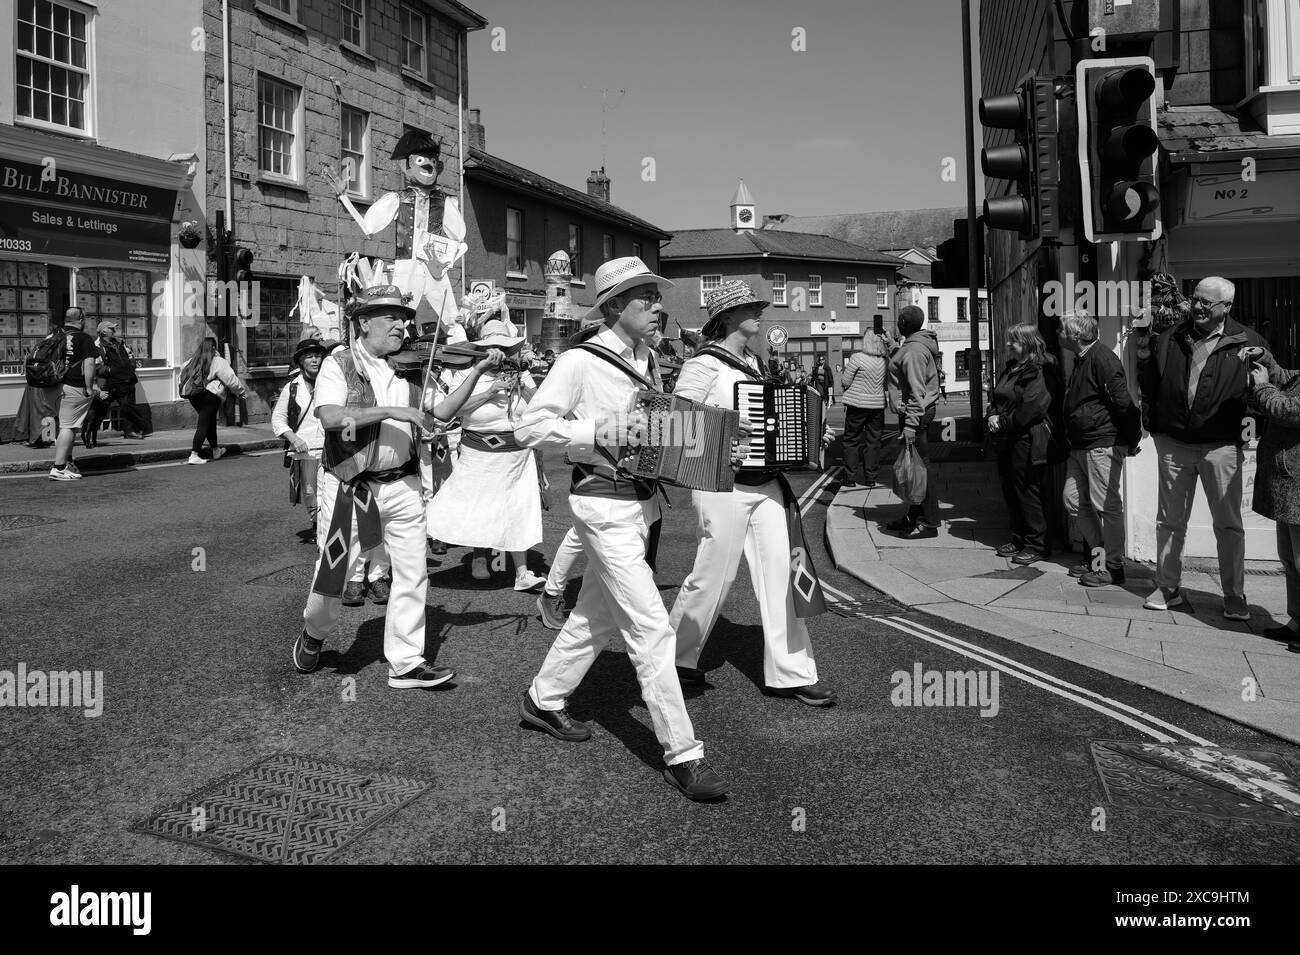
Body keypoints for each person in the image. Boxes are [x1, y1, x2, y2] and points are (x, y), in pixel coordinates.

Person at [513, 255, 729, 801]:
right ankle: (683, 754)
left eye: (657, 297)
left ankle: (543, 698)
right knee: (651, 628)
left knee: (597, 616)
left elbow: (657, 429)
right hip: (601, 505)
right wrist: (601, 429)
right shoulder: (579, 361)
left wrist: (717, 443)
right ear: (612, 307)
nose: (657, 306)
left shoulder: (648, 357)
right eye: (645, 298)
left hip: (642, 504)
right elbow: (529, 428)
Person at [291, 285, 503, 688]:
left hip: (404, 484)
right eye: (390, 317)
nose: (400, 326)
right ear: (363, 323)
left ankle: (406, 662)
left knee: (412, 572)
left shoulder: (411, 367)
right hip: (351, 484)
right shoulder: (339, 364)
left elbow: (441, 412)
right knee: (333, 575)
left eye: (403, 319)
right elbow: (332, 418)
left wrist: (476, 372)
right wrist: (393, 410)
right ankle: (314, 632)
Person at [670, 280, 835, 707]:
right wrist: (726, 423)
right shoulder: (703, 364)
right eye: (750, 308)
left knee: (782, 574)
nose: (759, 313)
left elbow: (774, 421)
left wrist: (810, 436)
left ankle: (792, 673)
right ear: (727, 318)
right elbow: (676, 418)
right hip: (721, 482)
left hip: (766, 483)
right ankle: (673, 659)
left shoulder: (755, 363)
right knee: (713, 577)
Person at [1138, 277, 1265, 618]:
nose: (1197, 306)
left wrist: (1246, 433)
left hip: (1221, 447)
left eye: (1206, 302)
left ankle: (1234, 593)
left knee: (1228, 524)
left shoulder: (1249, 342)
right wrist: (1154, 425)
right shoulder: (1171, 337)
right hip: (1174, 444)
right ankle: (1168, 586)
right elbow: (1149, 383)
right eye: (1195, 298)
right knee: (1170, 521)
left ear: (1227, 306)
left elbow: (1261, 394)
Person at [425, 289, 547, 592]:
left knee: (517, 508)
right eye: (493, 346)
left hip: (517, 452)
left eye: (504, 346)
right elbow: (453, 412)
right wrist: (491, 391)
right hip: (479, 450)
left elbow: (540, 407)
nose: (499, 351)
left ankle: (522, 572)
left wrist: (521, 383)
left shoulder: (520, 373)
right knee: (480, 507)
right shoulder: (467, 373)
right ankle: (479, 556)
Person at [1058, 311, 1140, 586]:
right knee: (1072, 499)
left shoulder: (1102, 358)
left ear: (1075, 335)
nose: (1058, 334)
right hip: (1081, 445)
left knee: (1107, 505)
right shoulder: (1082, 358)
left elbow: (1124, 403)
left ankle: (1113, 566)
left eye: (1061, 330)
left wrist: (1131, 440)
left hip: (1101, 443)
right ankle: (1100, 558)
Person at [987, 324, 1063, 566]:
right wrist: (992, 414)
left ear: (1029, 343)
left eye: (1014, 341)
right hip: (1007, 438)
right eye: (1009, 340)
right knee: (1011, 489)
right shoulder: (1012, 368)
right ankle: (1019, 538)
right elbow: (997, 398)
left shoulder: (1041, 369)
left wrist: (1002, 421)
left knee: (1029, 491)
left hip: (1027, 439)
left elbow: (1033, 407)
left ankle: (1037, 544)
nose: (1009, 345)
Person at [1246, 349, 1300, 642]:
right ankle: (1297, 622)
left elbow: (1287, 409)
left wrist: (1263, 386)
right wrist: (1265, 358)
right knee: (1289, 559)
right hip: (1288, 482)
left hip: (1296, 484)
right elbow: (1285, 377)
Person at [883, 304, 941, 537]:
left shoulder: (914, 350)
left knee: (920, 468)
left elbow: (917, 391)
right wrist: (892, 346)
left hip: (915, 414)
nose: (897, 323)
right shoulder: (912, 345)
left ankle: (929, 523)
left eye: (899, 320)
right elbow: (905, 361)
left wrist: (910, 425)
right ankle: (914, 516)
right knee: (915, 467)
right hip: (914, 413)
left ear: (903, 324)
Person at [48, 308, 102, 482]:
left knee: (66, 424)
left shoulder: (54, 335)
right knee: (69, 426)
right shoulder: (84, 338)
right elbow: (89, 364)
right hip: (73, 387)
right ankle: (59, 467)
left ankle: (67, 462)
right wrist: (89, 387)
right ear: (81, 319)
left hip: (52, 387)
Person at [178, 337, 247, 465]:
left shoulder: (191, 361)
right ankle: (194, 454)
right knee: (204, 424)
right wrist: (241, 391)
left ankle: (216, 450)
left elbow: (181, 375)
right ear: (214, 348)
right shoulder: (217, 361)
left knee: (209, 421)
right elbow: (230, 378)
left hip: (194, 396)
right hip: (210, 396)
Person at [84, 321, 149, 445]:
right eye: (111, 328)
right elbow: (95, 366)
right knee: (100, 410)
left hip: (126, 380)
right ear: (103, 331)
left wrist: (131, 366)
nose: (114, 330)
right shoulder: (97, 346)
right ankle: (90, 434)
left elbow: (130, 355)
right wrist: (110, 370)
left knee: (128, 406)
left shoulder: (119, 342)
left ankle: (130, 431)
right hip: (108, 383)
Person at [840, 335, 889, 489]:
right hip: (877, 405)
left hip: (857, 404)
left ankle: (850, 478)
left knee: (851, 440)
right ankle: (871, 479)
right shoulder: (885, 360)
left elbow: (845, 381)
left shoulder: (857, 358)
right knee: (874, 442)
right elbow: (886, 383)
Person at [15, 315, 66, 449]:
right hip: (48, 381)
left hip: (34, 380)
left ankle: (36, 438)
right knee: (48, 410)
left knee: (37, 412)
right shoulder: (60, 340)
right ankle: (46, 439)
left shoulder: (43, 343)